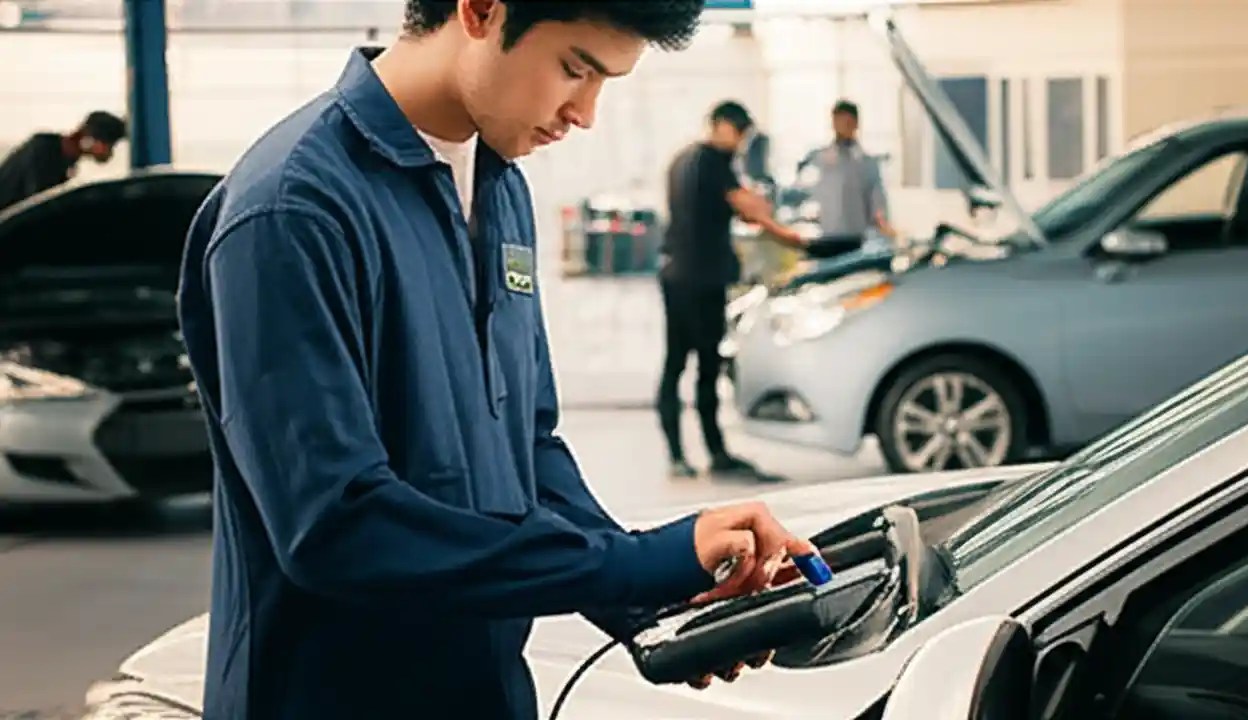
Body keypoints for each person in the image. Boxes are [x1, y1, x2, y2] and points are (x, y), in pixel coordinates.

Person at [175, 2, 817, 718]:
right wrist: (636, 563)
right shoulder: (293, 211)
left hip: (484, 693)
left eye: (607, 82)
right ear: (480, 10)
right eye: (575, 69)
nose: (585, 115)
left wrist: (656, 598)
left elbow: (527, 452)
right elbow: (337, 528)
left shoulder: (499, 184)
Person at [657, 101, 807, 480]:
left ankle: (683, 454)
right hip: (700, 278)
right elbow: (748, 207)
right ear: (720, 125)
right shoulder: (713, 161)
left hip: (677, 273)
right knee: (705, 365)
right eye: (738, 132)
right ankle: (713, 453)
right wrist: (792, 237)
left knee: (677, 364)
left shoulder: (682, 159)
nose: (741, 141)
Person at [797, 99, 897, 253]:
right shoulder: (819, 159)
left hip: (855, 239)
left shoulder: (866, 164)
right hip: (825, 237)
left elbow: (877, 204)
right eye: (838, 122)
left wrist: (887, 230)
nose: (842, 127)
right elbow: (804, 194)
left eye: (847, 122)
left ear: (856, 124)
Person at [0, 110, 126, 211]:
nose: (109, 152)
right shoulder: (44, 151)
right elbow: (36, 205)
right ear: (90, 139)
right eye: (108, 144)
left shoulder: (62, 159)